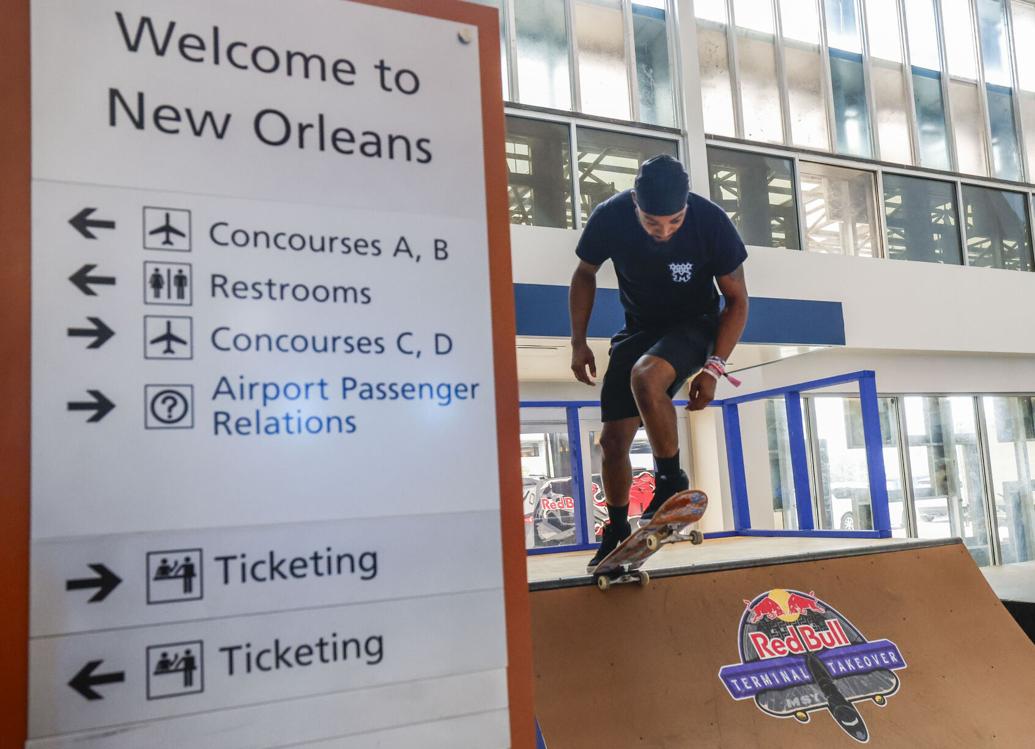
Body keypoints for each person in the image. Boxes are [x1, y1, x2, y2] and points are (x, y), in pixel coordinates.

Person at [569, 155, 749, 572]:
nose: (665, 231)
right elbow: (584, 273)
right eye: (653, 223)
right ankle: (615, 529)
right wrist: (578, 342)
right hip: (639, 329)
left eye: (674, 221)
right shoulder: (609, 217)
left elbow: (737, 300)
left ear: (686, 204)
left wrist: (715, 366)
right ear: (635, 203)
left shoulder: (711, 222)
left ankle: (670, 479)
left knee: (646, 377)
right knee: (612, 442)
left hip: (695, 325)